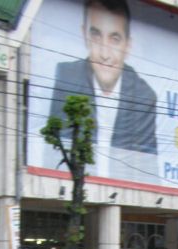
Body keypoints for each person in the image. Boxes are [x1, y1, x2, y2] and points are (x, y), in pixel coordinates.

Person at [48, 0, 157, 179]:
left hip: (125, 191)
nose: (105, 54)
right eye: (96, 36)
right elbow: (54, 154)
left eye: (115, 39)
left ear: (127, 45)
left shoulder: (144, 97)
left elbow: (149, 170)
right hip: (77, 184)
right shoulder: (66, 77)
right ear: (85, 35)